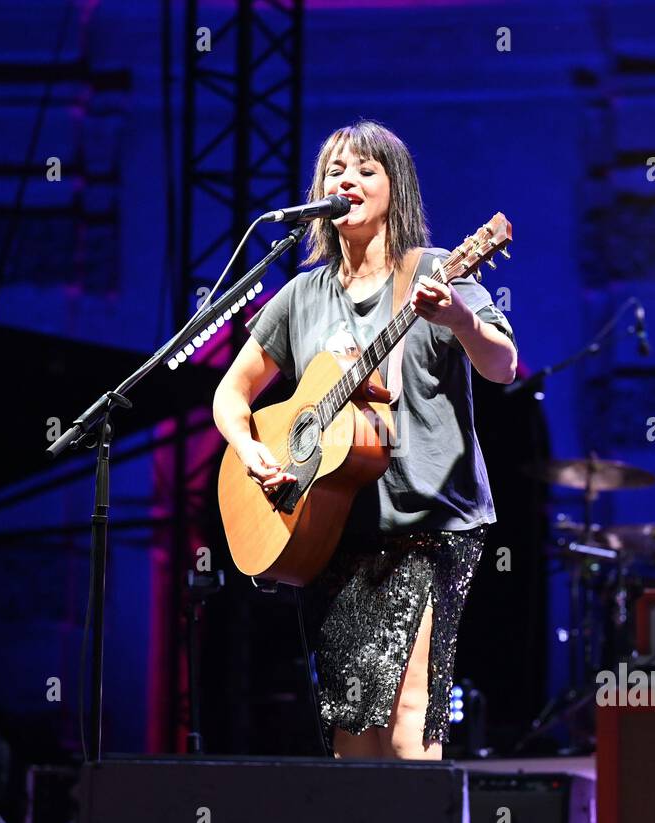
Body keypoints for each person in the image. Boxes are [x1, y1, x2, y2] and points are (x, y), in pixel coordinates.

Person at [212, 120, 517, 760]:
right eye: (334, 171)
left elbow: (503, 366)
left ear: (394, 189)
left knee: (409, 710)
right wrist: (251, 450)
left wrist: (459, 318)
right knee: (353, 717)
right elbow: (231, 394)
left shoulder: (433, 271)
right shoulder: (301, 295)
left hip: (428, 519)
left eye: (365, 170)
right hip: (335, 525)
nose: (345, 180)